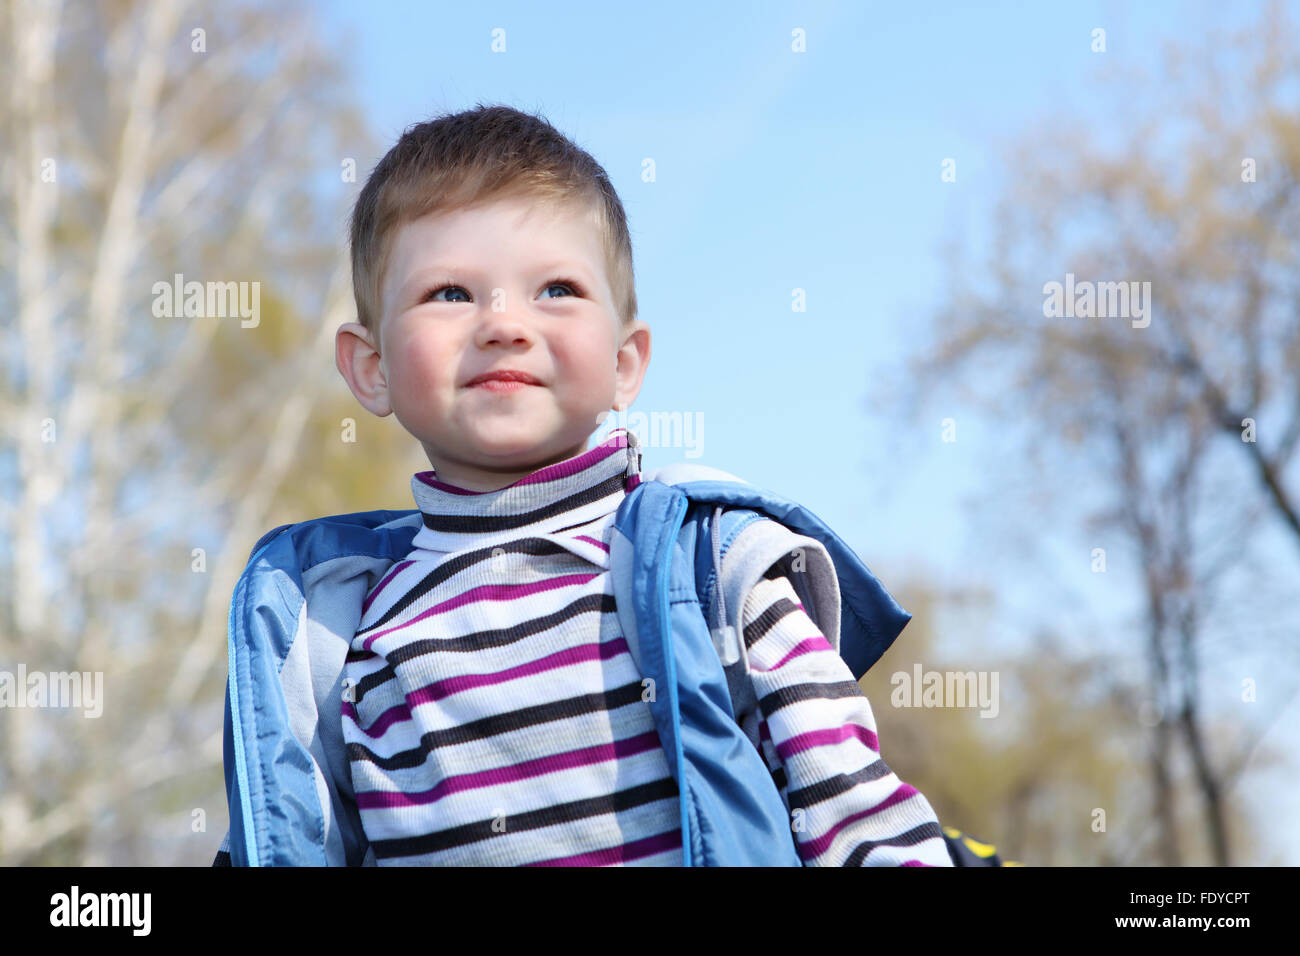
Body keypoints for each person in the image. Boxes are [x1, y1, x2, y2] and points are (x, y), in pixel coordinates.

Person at [297, 103, 950, 866]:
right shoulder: (338, 644)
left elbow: (857, 818)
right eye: (450, 294)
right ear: (370, 368)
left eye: (555, 290)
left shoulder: (707, 572)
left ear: (624, 363)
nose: (504, 324)